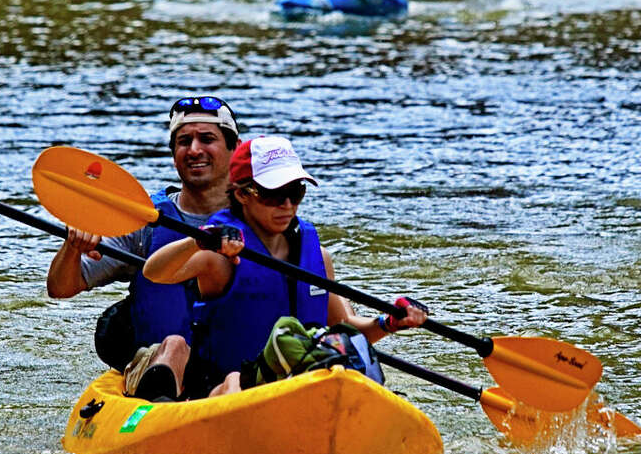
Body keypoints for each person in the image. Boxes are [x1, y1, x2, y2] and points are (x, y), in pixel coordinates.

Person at [130, 135, 428, 401]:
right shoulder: (219, 256)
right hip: (219, 391)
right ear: (242, 194)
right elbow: (154, 272)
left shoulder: (317, 256)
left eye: (295, 192)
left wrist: (388, 322)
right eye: (273, 194)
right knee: (201, 360)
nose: (286, 205)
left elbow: (345, 329)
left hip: (290, 390)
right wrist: (198, 241)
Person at [46, 96, 240, 367]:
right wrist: (72, 247)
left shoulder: (263, 216)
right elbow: (61, 287)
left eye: (207, 139)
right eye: (184, 142)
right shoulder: (142, 223)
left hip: (239, 372)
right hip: (161, 374)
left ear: (236, 150)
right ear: (174, 157)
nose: (195, 150)